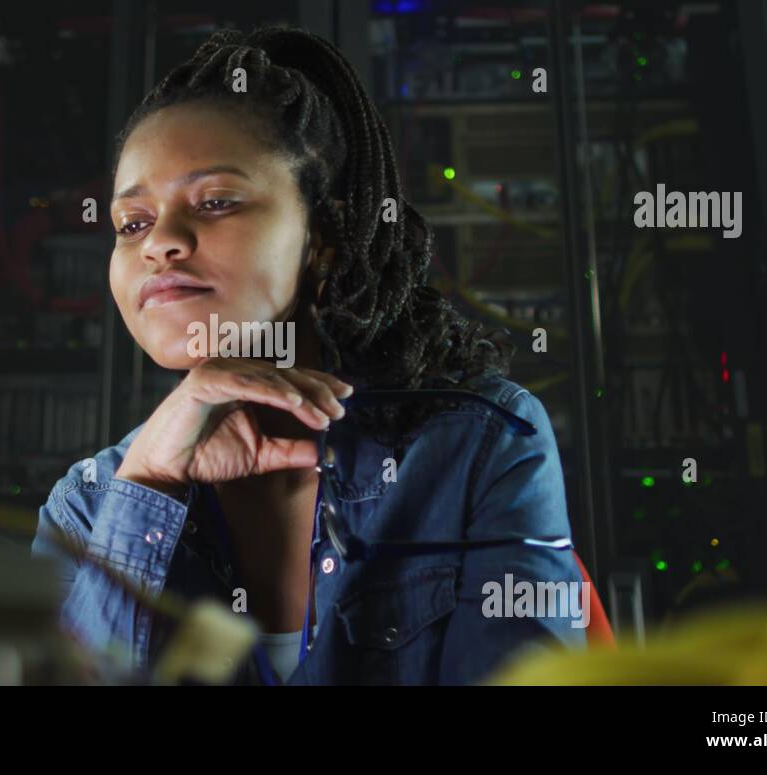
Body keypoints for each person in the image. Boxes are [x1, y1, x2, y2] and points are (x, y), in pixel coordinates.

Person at [31, 26, 585, 684]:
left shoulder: (481, 446)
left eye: (214, 202)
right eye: (133, 223)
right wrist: (149, 484)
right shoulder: (89, 506)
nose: (161, 243)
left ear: (322, 237)